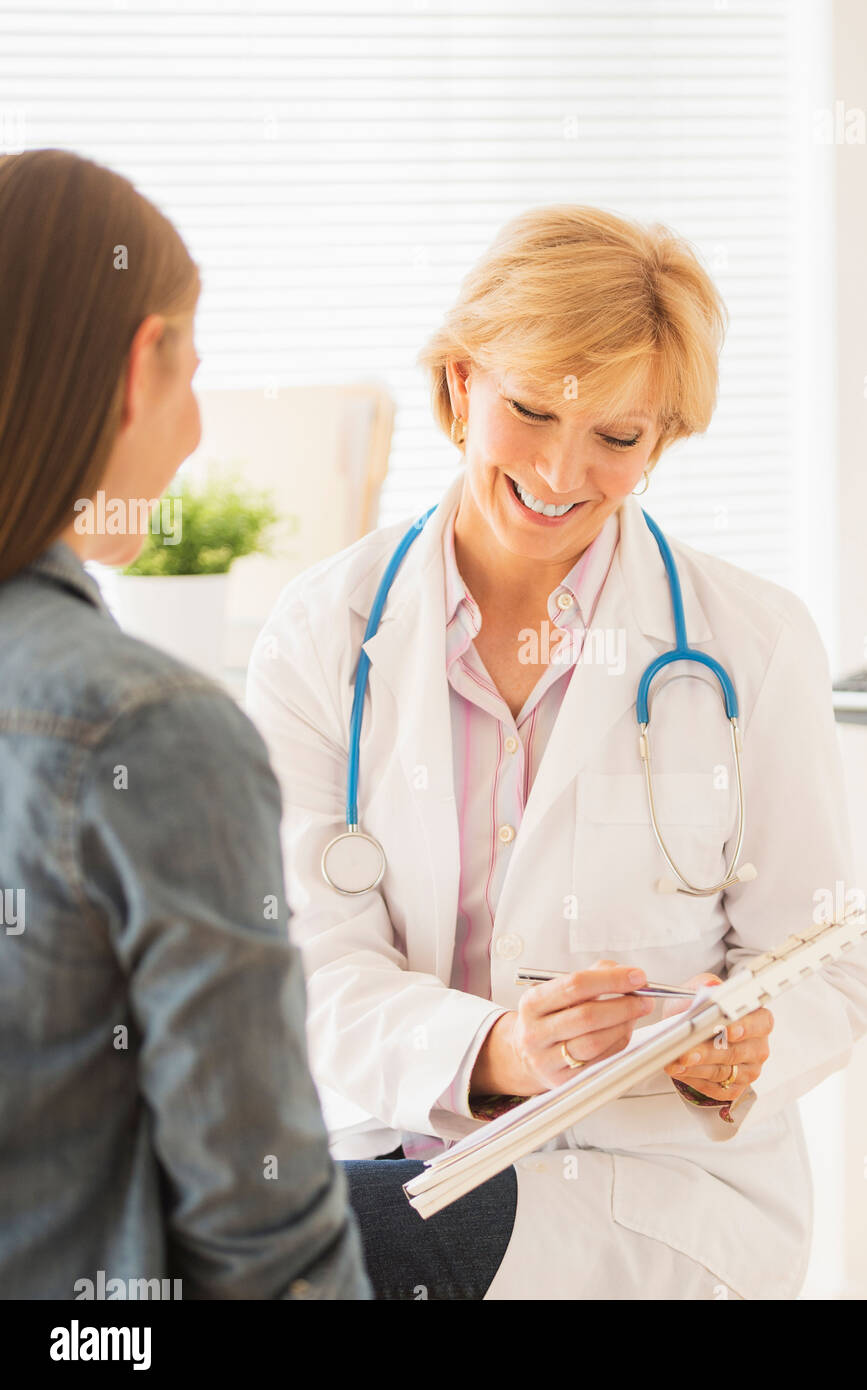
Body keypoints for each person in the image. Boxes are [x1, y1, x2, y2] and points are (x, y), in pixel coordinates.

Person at [245, 204, 867, 1300]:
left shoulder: (754, 644)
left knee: (279, 1253)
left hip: (650, 1192)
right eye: (530, 410)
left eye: (616, 437)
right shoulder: (320, 634)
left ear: (664, 437)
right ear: (457, 388)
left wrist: (745, 1043)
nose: (560, 469)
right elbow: (312, 969)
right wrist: (499, 1051)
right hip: (399, 1149)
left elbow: (825, 962)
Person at [0, 148, 376, 1299]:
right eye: (191, 372)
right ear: (134, 368)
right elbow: (260, 1220)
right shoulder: (150, 732)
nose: (198, 425)